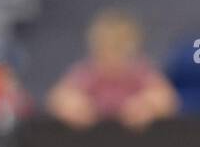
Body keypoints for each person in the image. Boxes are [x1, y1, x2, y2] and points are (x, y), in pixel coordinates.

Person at [46, 9, 178, 130]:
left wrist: (148, 105)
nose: (111, 56)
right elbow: (58, 98)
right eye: (105, 48)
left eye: (118, 48)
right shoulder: (87, 72)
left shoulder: (141, 72)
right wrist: (72, 105)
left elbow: (167, 99)